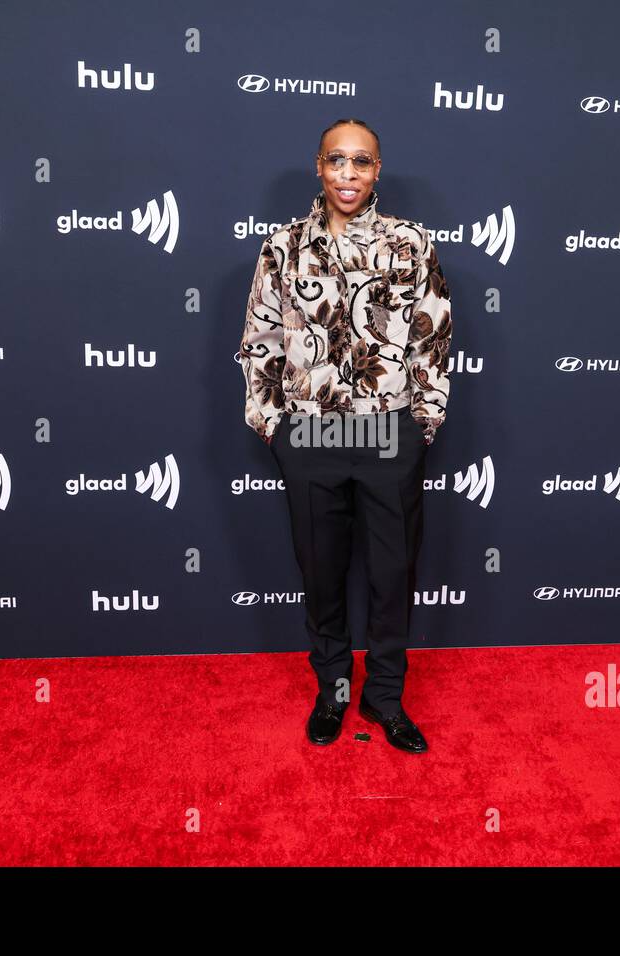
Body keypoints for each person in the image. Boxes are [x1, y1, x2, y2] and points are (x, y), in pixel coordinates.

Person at [235, 118, 452, 754]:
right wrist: (274, 426)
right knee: (321, 571)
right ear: (319, 167)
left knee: (392, 572)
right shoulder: (283, 248)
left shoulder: (411, 243)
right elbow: (260, 343)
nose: (349, 174)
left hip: (390, 433)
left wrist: (422, 422)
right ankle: (332, 688)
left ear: (378, 170)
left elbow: (433, 340)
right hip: (311, 434)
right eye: (338, 161)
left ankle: (385, 696)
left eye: (361, 162)